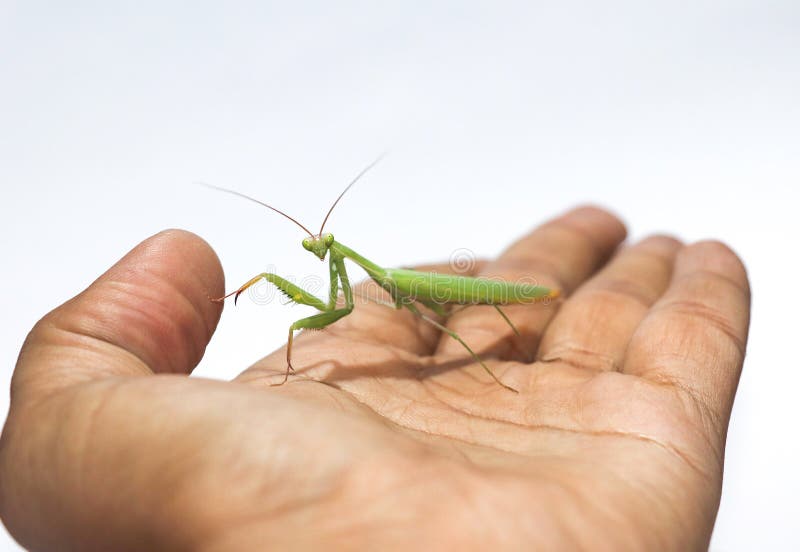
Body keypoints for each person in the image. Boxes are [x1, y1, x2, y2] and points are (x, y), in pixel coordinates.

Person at [0, 207, 750, 550]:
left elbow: (434, 315)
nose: (317, 250)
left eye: (321, 244)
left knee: (471, 313)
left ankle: (511, 346)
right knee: (312, 324)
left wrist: (495, 379)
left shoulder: (378, 282)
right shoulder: (356, 284)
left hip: (492, 292)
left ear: (334, 249)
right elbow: (328, 309)